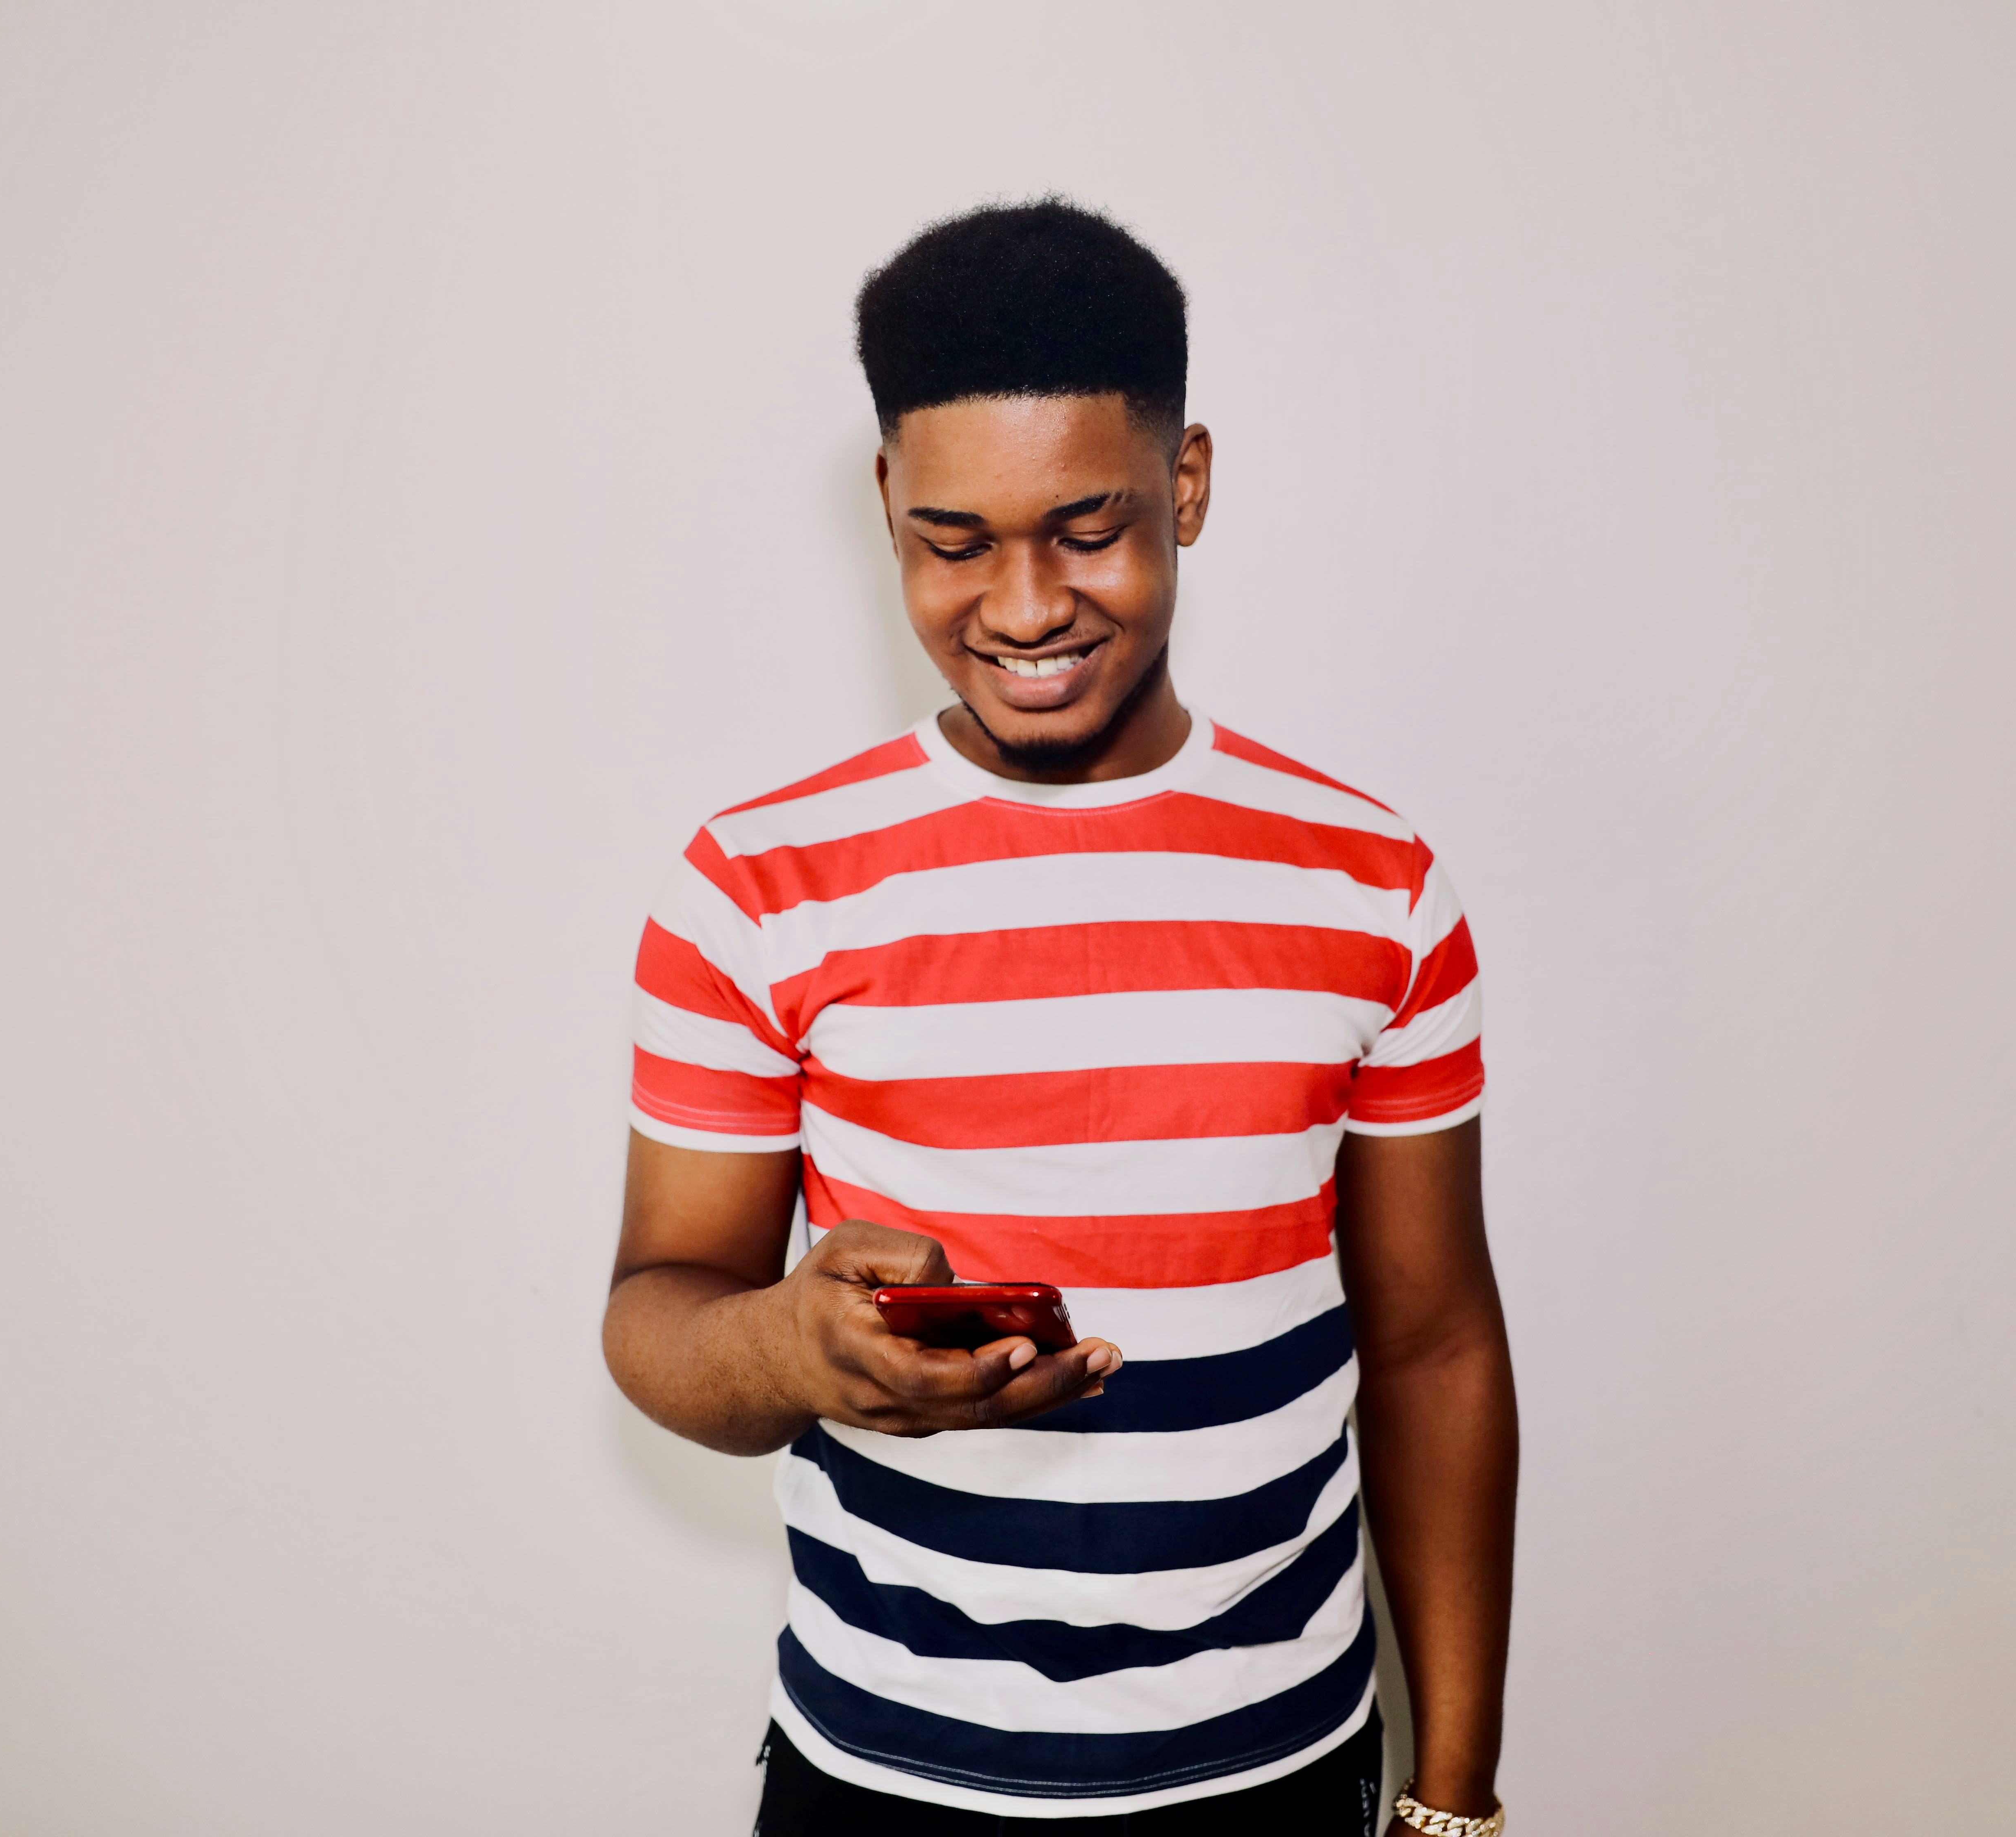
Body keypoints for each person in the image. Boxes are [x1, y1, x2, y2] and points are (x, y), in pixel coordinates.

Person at [602, 199, 1517, 1837]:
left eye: (1086, 528)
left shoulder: (1375, 883)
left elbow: (1435, 1341)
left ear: (1188, 485)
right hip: (883, 1777)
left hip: (1280, 1774)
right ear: (888, 507)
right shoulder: (755, 884)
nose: (1022, 608)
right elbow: (660, 1312)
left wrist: (1456, 1795)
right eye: (955, 542)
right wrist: (795, 1344)